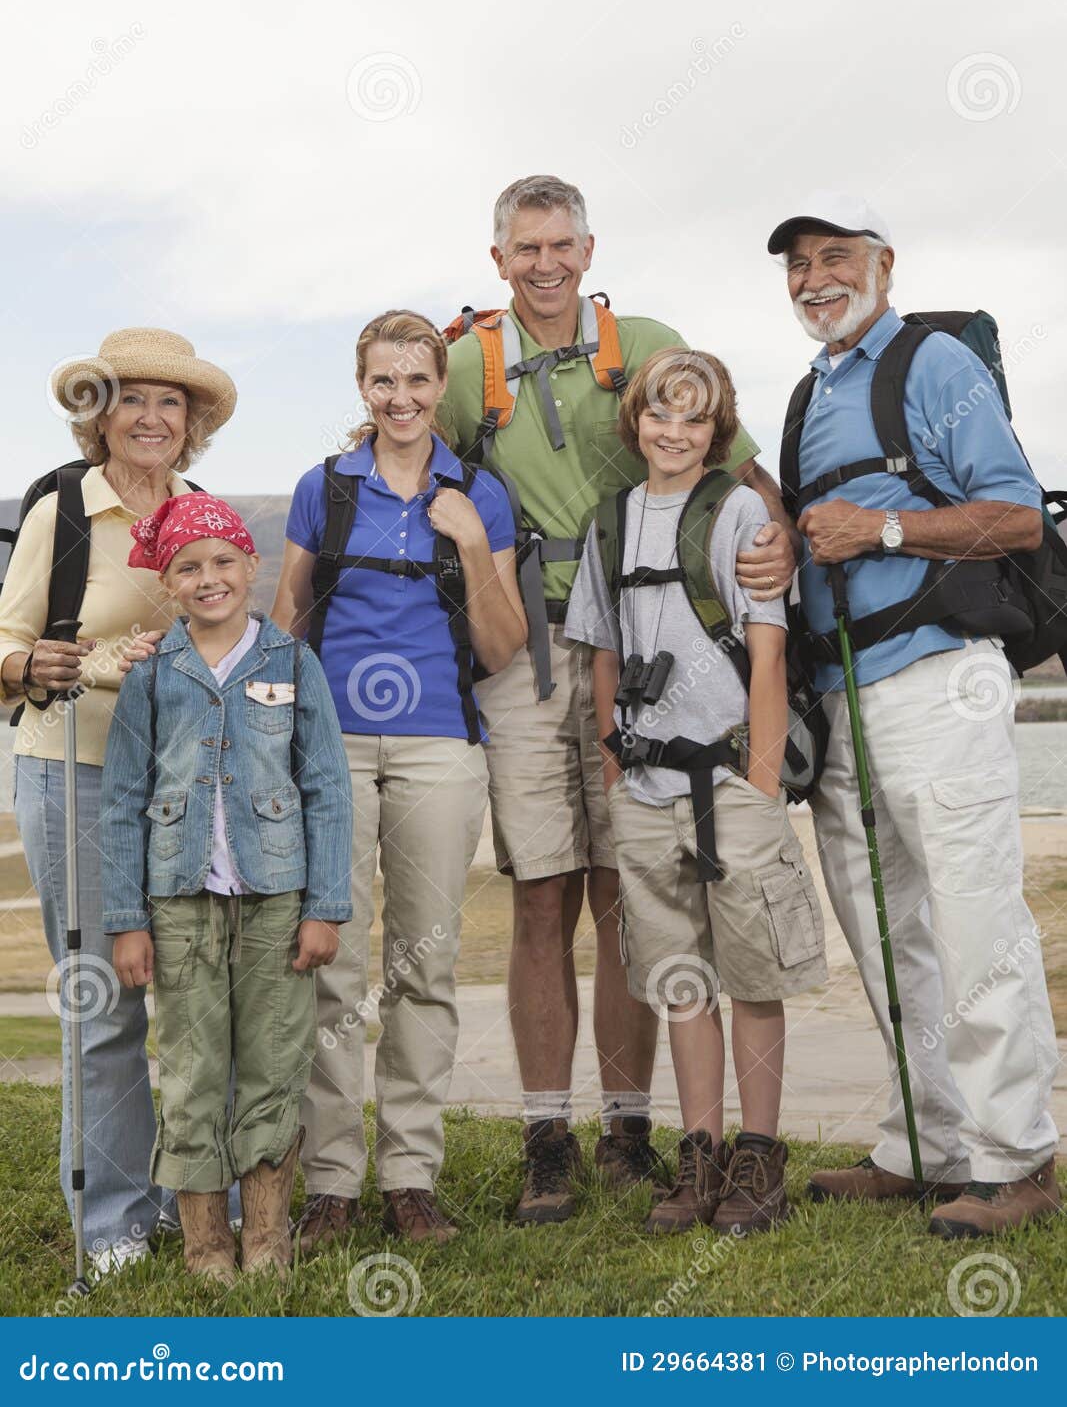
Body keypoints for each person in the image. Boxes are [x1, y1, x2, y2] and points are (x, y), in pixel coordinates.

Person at [436, 175, 798, 1223]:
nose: (545, 264)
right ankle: (547, 1134)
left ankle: (635, 1131)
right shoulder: (467, 365)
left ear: (589, 250)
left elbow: (725, 454)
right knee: (540, 892)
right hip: (522, 644)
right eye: (525, 249)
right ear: (497, 259)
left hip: (639, 640)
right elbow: (404, 449)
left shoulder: (641, 338)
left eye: (562, 245)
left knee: (624, 891)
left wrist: (773, 545)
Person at [773, 190, 1060, 1237]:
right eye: (797, 263)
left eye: (833, 254)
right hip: (843, 695)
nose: (814, 278)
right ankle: (927, 1141)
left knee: (973, 916)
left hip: (939, 677)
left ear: (883, 261)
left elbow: (1014, 513)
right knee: (886, 927)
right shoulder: (808, 393)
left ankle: (1015, 1157)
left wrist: (881, 536)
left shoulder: (933, 366)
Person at [272, 310, 525, 1247]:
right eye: (384, 382)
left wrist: (464, 540)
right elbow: (287, 620)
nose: (402, 398)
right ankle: (332, 1182)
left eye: (418, 382)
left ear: (440, 388)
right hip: (331, 750)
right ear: (362, 388)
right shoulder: (322, 488)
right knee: (331, 967)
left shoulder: (479, 494)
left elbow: (501, 651)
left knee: (425, 968)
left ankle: (410, 1178)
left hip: (439, 750)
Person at [565, 348, 827, 1235]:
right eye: (659, 415)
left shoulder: (742, 510)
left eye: (694, 420)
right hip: (643, 786)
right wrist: (611, 768)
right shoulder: (611, 520)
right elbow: (603, 653)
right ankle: (700, 1154)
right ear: (634, 420)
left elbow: (766, 653)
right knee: (679, 978)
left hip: (730, 780)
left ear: (717, 432)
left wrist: (757, 779)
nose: (673, 433)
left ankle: (757, 1156)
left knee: (752, 971)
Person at [0, 328, 236, 1274]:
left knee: (186, 1003)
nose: (150, 417)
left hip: (185, 782)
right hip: (74, 767)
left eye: (169, 402)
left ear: (192, 423)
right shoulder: (61, 504)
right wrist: (30, 664)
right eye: (130, 399)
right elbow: (5, 647)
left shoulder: (204, 513)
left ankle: (184, 1205)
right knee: (103, 1003)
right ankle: (112, 1230)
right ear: (99, 415)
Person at [99, 493, 352, 1283]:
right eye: (188, 568)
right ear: (168, 583)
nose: (208, 579)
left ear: (252, 566)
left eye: (222, 562)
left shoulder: (291, 662)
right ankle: (206, 1242)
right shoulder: (151, 675)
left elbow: (328, 789)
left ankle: (267, 1238)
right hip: (177, 902)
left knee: (275, 1062)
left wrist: (324, 906)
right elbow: (120, 800)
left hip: (276, 899)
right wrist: (125, 919)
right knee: (191, 1065)